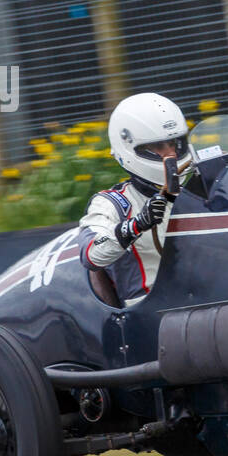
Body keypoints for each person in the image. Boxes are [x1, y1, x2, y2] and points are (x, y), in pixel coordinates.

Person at [79, 92, 192, 304]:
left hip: (207, 296)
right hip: (152, 313)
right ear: (129, 148)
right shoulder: (111, 203)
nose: (171, 154)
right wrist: (138, 224)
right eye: (158, 146)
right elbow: (91, 253)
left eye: (174, 143)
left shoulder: (198, 188)